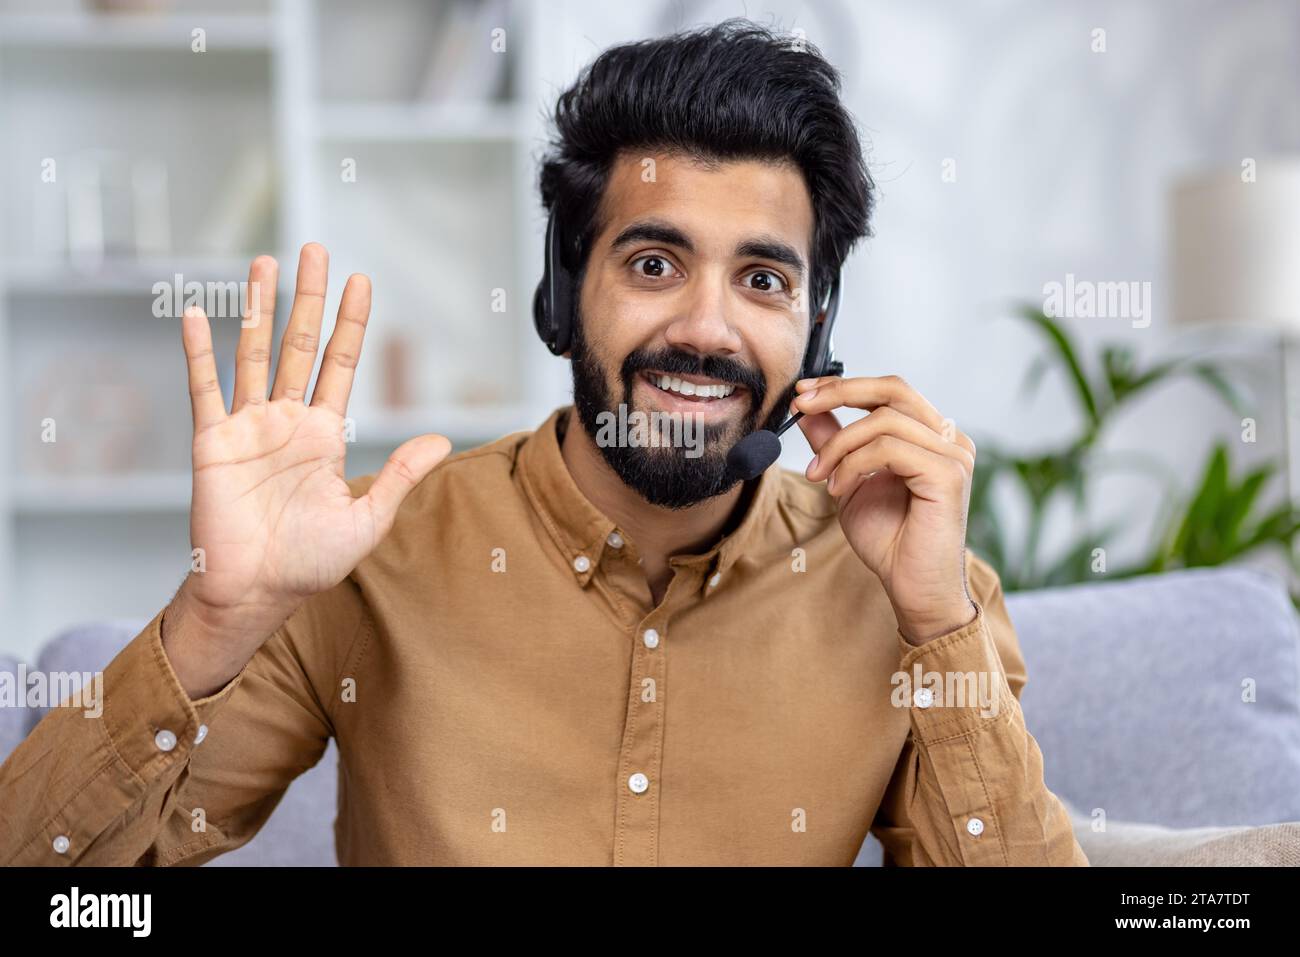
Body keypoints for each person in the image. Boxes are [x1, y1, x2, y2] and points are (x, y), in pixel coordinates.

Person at [0, 19, 1086, 866]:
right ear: (566, 290)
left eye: (762, 279)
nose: (705, 329)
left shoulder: (917, 596)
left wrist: (940, 626)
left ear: (817, 328)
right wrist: (212, 621)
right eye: (654, 264)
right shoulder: (366, 558)